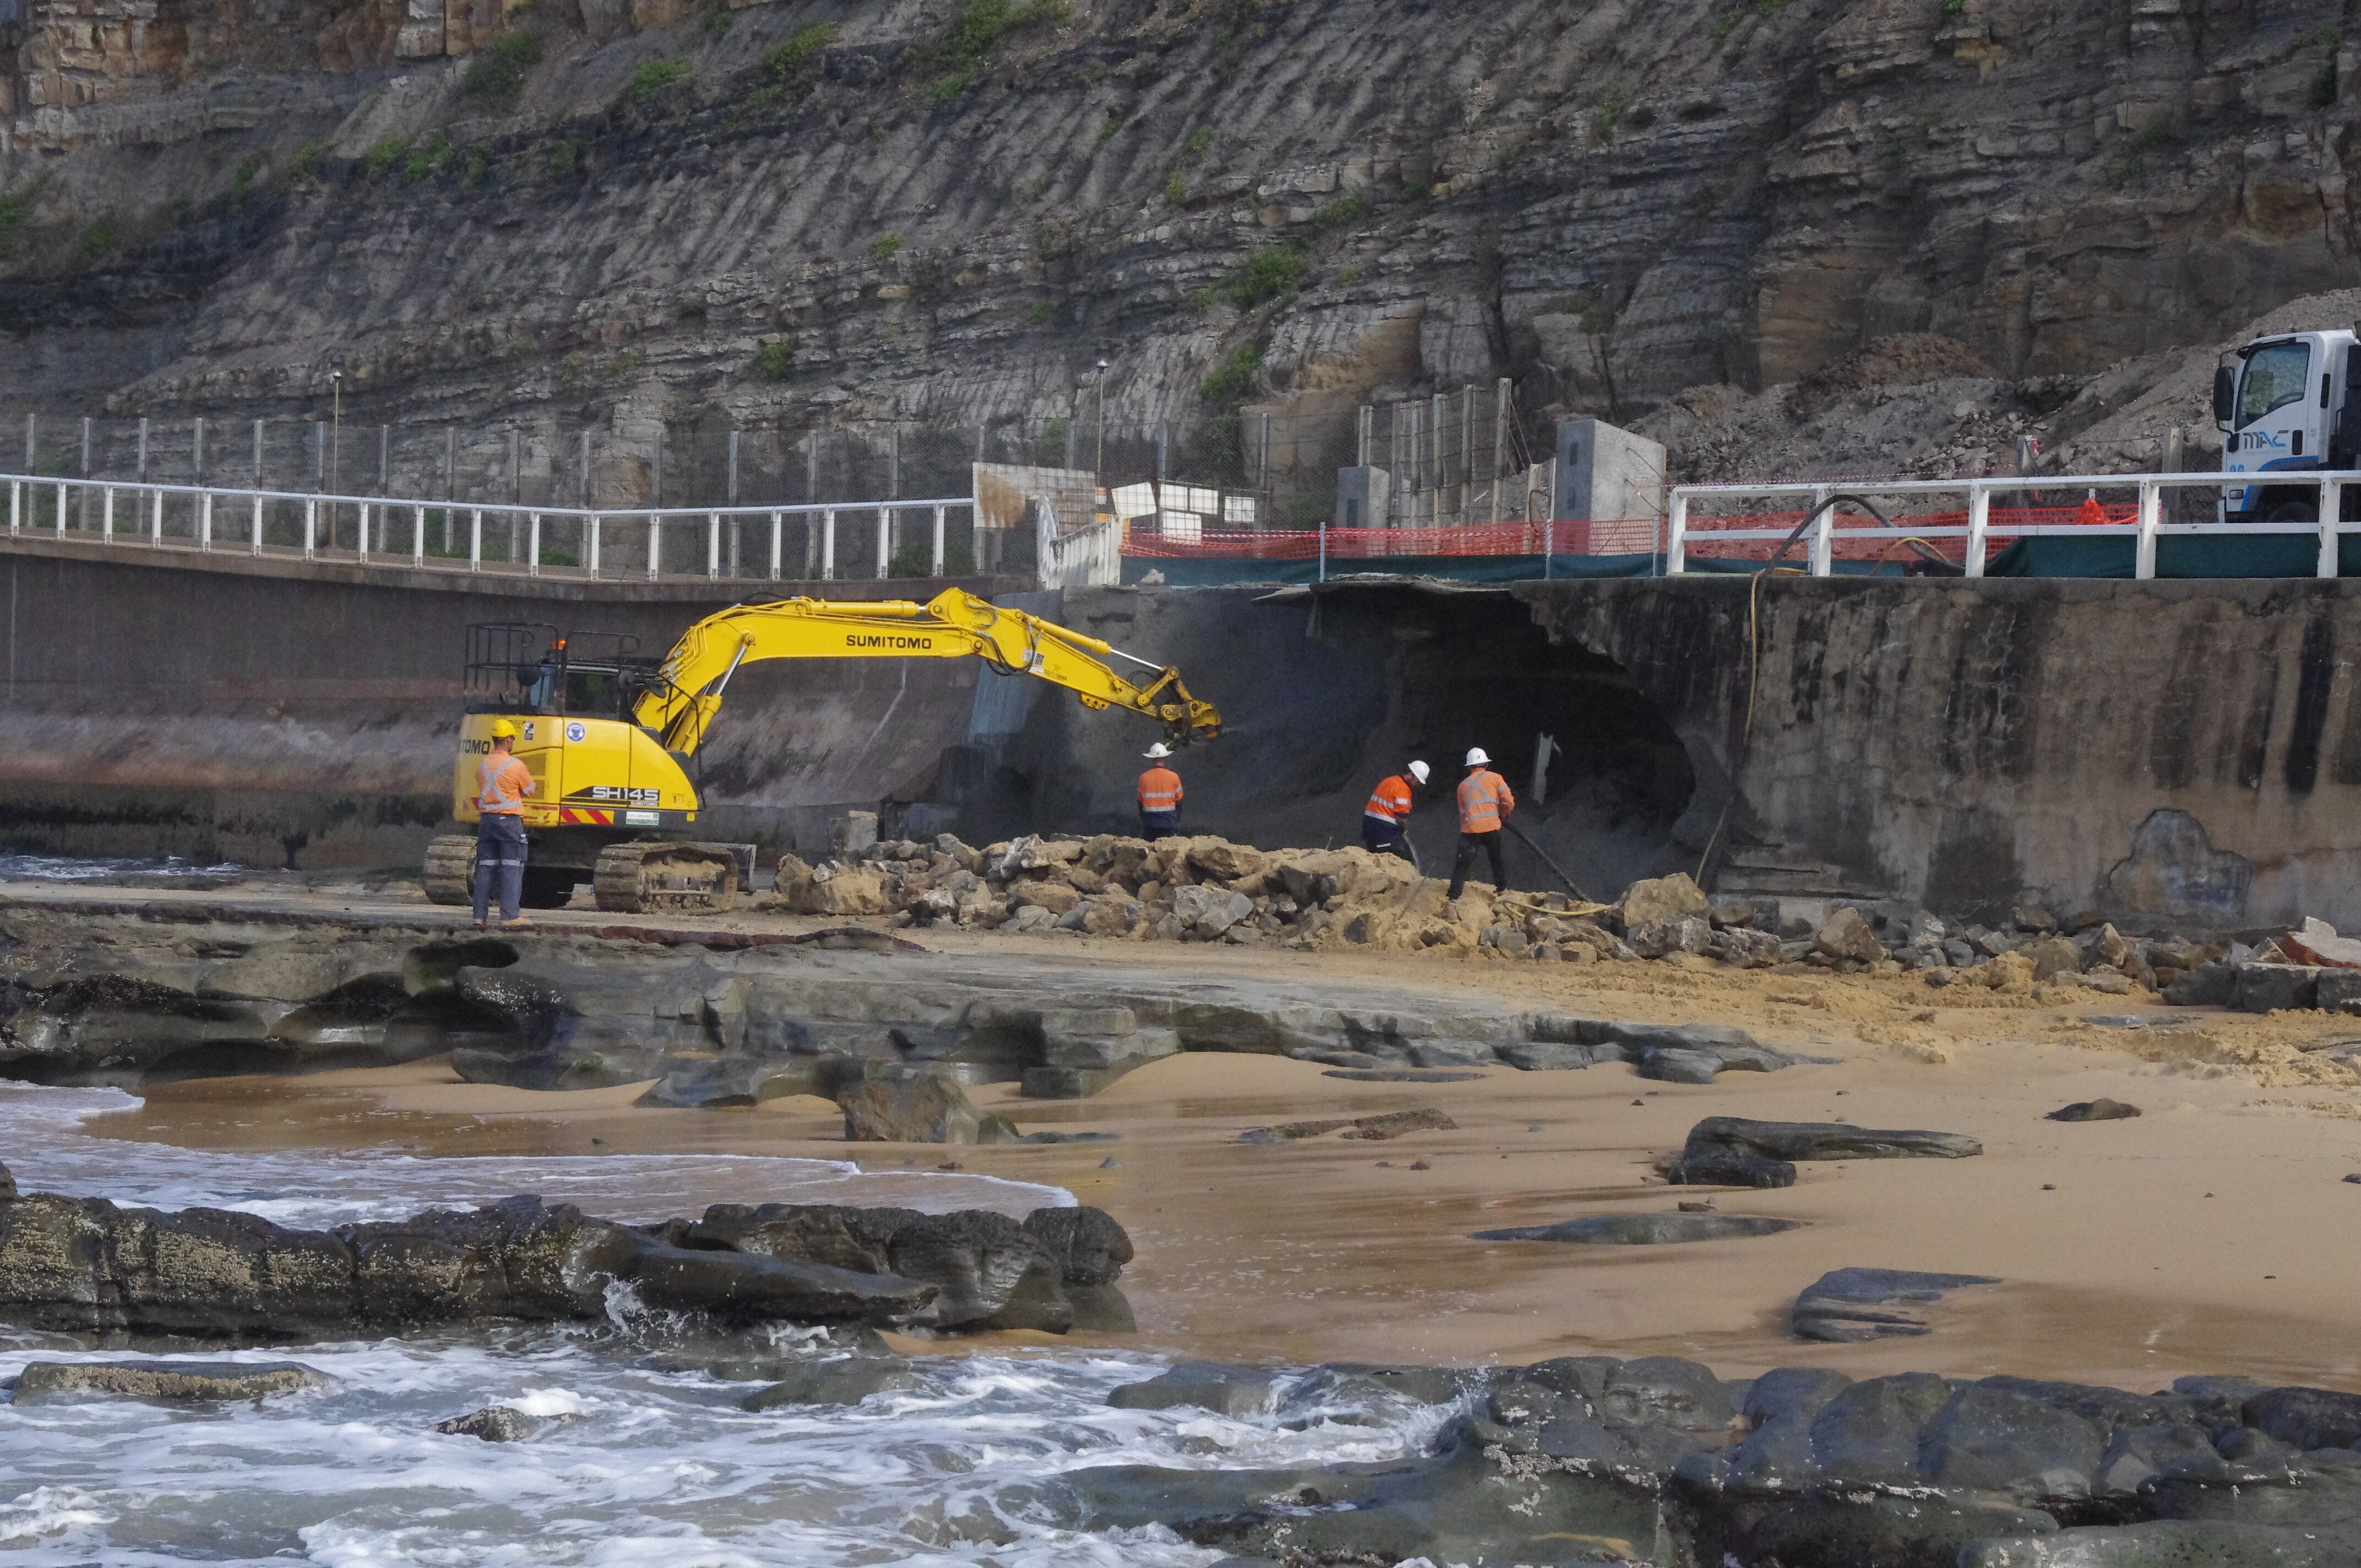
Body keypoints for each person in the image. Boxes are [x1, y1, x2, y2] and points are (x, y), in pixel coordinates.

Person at [473, 718, 536, 930]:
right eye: (513, 739)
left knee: (485, 869)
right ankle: (509, 916)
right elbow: (530, 790)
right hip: (509, 822)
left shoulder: (482, 765)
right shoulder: (516, 765)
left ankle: (479, 917)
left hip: (486, 822)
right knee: (511, 868)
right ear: (508, 739)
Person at [1446, 745, 1514, 901]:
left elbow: (1463, 814)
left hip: (1471, 830)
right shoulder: (1496, 778)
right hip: (1493, 827)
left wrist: (1466, 831)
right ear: (1486, 765)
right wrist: (1503, 815)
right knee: (1496, 859)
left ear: (1469, 767)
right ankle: (1502, 890)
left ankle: (1453, 900)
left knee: (1461, 867)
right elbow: (1508, 801)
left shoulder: (1462, 786)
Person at [1361, 759, 1430, 861]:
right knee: (1401, 857)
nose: (1418, 785)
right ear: (1411, 775)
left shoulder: (1390, 780)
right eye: (1417, 782)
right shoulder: (1403, 789)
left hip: (1369, 825)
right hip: (1383, 829)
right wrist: (1405, 830)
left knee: (1377, 855)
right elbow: (1401, 818)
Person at [1138, 742, 1184, 839]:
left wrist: (1145, 822)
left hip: (1150, 824)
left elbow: (1140, 804)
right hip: (1169, 823)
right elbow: (1179, 803)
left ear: (1151, 760)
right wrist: (1176, 822)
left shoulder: (1143, 778)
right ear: (1165, 759)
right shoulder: (1174, 777)